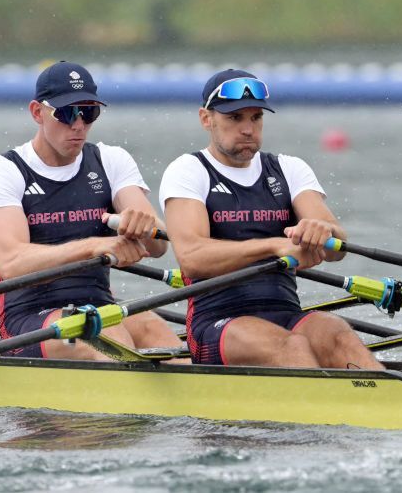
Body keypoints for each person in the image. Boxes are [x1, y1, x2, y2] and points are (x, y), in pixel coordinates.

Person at [159, 68, 384, 369]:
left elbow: (335, 249)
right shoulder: (189, 170)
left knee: (336, 333)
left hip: (287, 315)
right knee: (290, 347)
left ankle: (396, 408)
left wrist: (323, 230)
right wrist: (273, 246)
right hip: (218, 324)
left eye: (256, 118)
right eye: (234, 118)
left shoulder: (289, 169)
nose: (248, 129)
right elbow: (192, 258)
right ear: (206, 119)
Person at [0, 61, 182, 361]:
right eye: (67, 112)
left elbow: (159, 247)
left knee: (157, 332)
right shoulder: (3, 172)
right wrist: (94, 245)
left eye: (89, 113)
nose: (78, 125)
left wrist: (146, 229)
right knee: (109, 338)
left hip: (98, 307)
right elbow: (11, 263)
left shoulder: (111, 161)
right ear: (37, 112)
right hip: (30, 322)